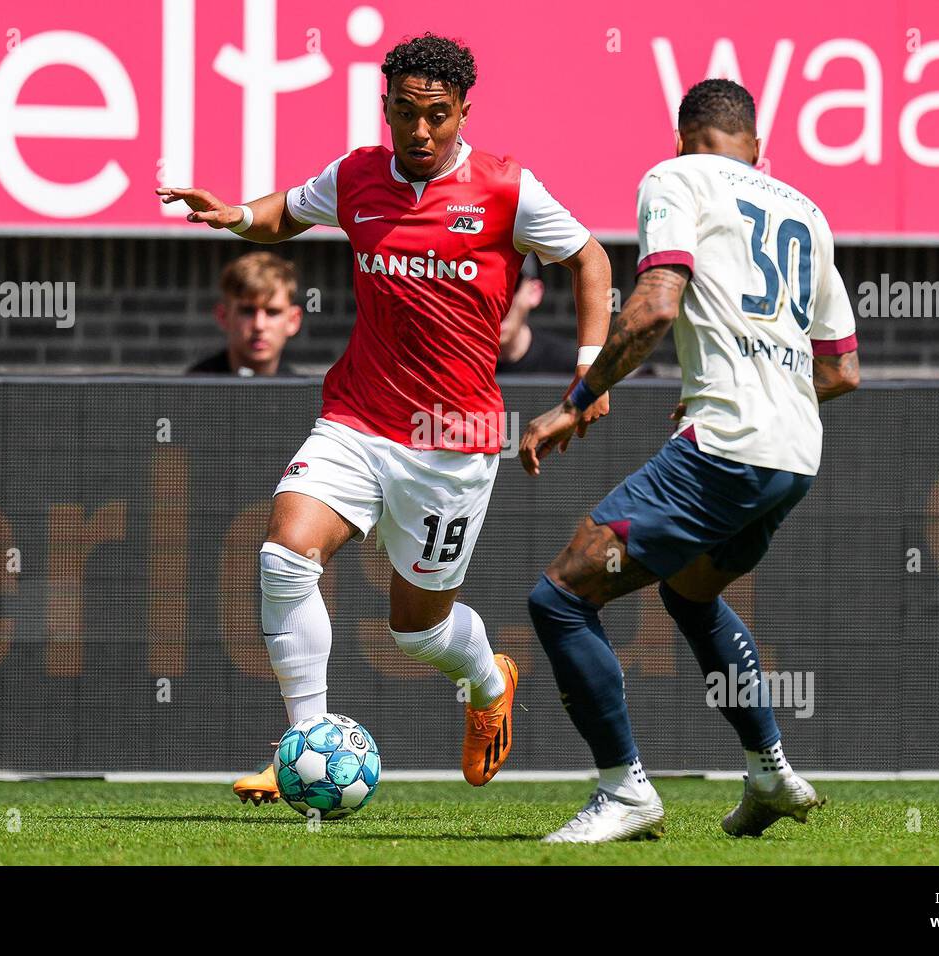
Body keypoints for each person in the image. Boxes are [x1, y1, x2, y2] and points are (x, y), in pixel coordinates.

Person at [158, 33, 611, 805]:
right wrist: (235, 212)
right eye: (405, 112)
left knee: (417, 629)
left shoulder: (505, 188)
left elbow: (592, 258)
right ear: (387, 109)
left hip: (451, 441)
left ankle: (485, 675)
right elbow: (287, 215)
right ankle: (303, 743)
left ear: (465, 110)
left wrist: (589, 373)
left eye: (437, 114)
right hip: (357, 416)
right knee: (284, 556)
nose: (421, 131)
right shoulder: (358, 176)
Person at [521, 79, 860, 843]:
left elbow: (654, 305)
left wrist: (577, 399)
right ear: (757, 149)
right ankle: (769, 771)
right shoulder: (807, 211)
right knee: (691, 596)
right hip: (794, 453)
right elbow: (841, 372)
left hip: (729, 444)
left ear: (681, 141)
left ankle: (625, 792)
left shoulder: (675, 178)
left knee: (562, 600)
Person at [187, 252, 304, 376]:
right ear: (223, 316)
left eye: (272, 312)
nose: (259, 325)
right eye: (247, 311)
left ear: (293, 320)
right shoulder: (193, 389)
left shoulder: (305, 393)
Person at [496, 254, 574, 374]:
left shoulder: (568, 365)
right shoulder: (459, 366)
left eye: (511, 285)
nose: (498, 300)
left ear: (534, 293)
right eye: (484, 288)